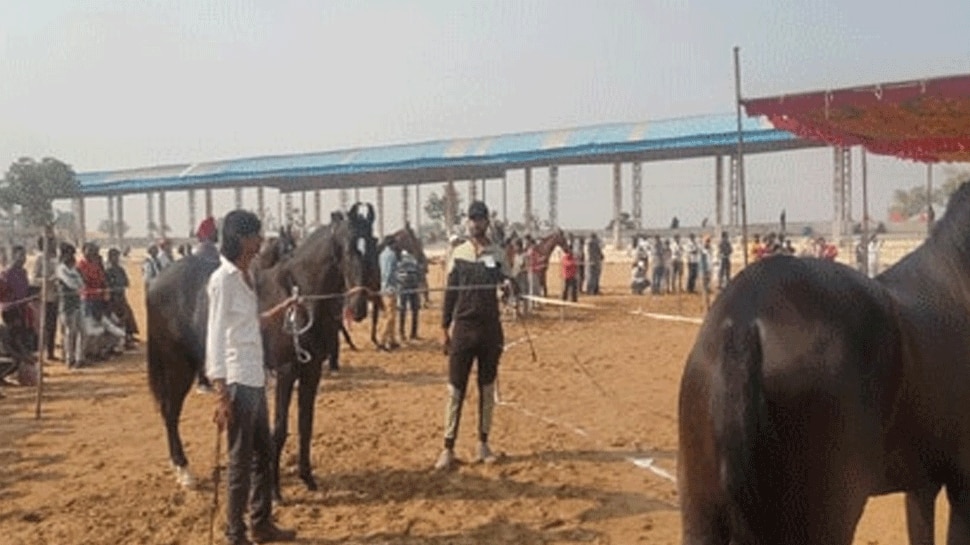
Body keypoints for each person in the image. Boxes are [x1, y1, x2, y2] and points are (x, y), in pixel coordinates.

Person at [206, 209, 298, 545]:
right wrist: (220, 393)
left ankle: (261, 523)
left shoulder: (247, 276)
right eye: (257, 235)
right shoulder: (223, 280)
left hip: (255, 377)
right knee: (239, 462)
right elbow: (215, 337)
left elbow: (247, 323)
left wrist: (280, 309)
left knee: (263, 455)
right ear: (242, 239)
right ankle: (235, 532)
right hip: (236, 381)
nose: (261, 241)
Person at [435, 200, 514, 471]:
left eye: (480, 218)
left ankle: (483, 443)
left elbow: (509, 285)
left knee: (487, 388)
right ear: (467, 222)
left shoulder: (499, 254)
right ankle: (448, 447)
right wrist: (444, 328)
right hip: (463, 330)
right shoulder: (458, 253)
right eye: (472, 219)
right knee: (455, 390)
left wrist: (507, 287)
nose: (476, 223)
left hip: (490, 330)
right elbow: (450, 294)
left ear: (486, 222)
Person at [33, 236, 59, 361]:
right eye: (52, 244)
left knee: (53, 325)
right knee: (43, 326)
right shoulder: (39, 259)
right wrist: (46, 280)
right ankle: (42, 353)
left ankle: (51, 352)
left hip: (55, 296)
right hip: (44, 297)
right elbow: (34, 279)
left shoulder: (55, 260)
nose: (54, 246)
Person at [377, 236, 400, 351]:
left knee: (391, 315)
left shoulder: (383, 254)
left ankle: (392, 340)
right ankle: (382, 341)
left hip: (388, 288)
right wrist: (386, 288)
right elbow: (387, 273)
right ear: (392, 244)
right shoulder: (390, 255)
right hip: (389, 289)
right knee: (389, 316)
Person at [396, 249, 422, 341]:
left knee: (410, 310)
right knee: (409, 310)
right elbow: (419, 272)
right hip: (406, 287)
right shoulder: (409, 259)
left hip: (408, 287)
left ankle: (409, 333)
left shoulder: (401, 259)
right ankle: (406, 333)